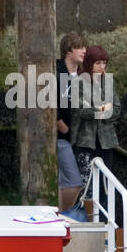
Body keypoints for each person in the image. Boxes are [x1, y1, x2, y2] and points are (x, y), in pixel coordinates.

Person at [70, 45, 120, 186]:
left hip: (106, 141)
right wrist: (103, 109)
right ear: (89, 62)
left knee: (106, 183)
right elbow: (81, 111)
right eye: (98, 63)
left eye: (104, 63)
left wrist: (97, 110)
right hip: (84, 141)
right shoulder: (78, 82)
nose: (102, 66)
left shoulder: (109, 82)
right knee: (86, 184)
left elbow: (117, 110)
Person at [55, 33, 87, 213]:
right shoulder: (56, 71)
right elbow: (49, 103)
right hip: (62, 137)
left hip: (79, 138)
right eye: (79, 47)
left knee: (67, 182)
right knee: (74, 182)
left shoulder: (82, 75)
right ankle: (62, 216)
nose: (84, 51)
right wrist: (62, 126)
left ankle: (62, 217)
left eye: (85, 47)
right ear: (68, 50)